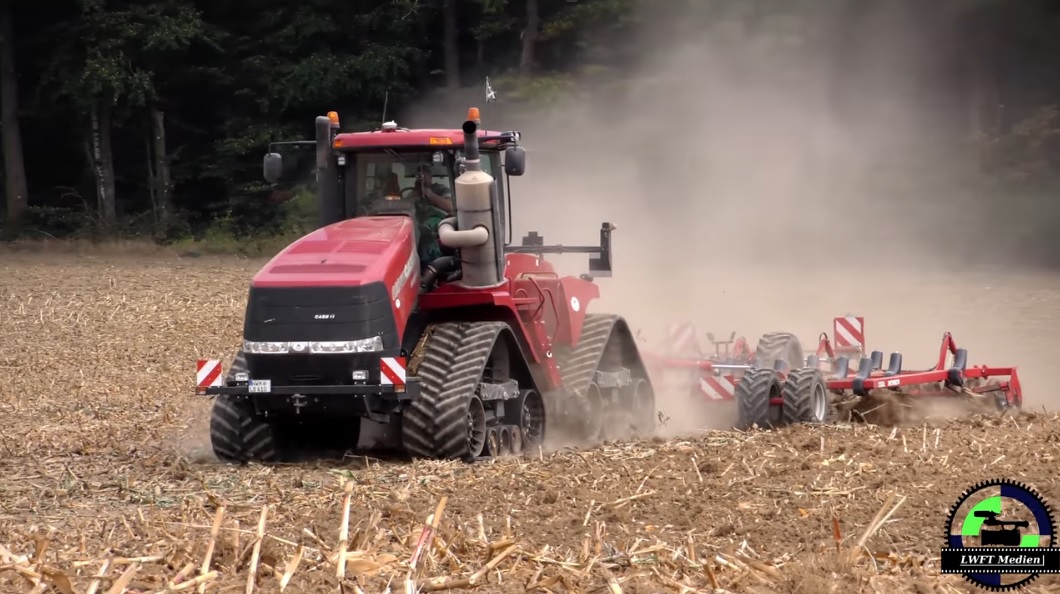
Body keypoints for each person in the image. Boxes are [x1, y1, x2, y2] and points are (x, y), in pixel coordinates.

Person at [409, 164, 455, 265]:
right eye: (418, 176)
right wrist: (412, 197)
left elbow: (450, 206)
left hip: (439, 224)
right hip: (416, 224)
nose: (421, 178)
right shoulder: (412, 193)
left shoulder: (441, 189)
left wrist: (430, 194)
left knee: (424, 231)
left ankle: (430, 263)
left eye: (424, 175)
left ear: (430, 176)